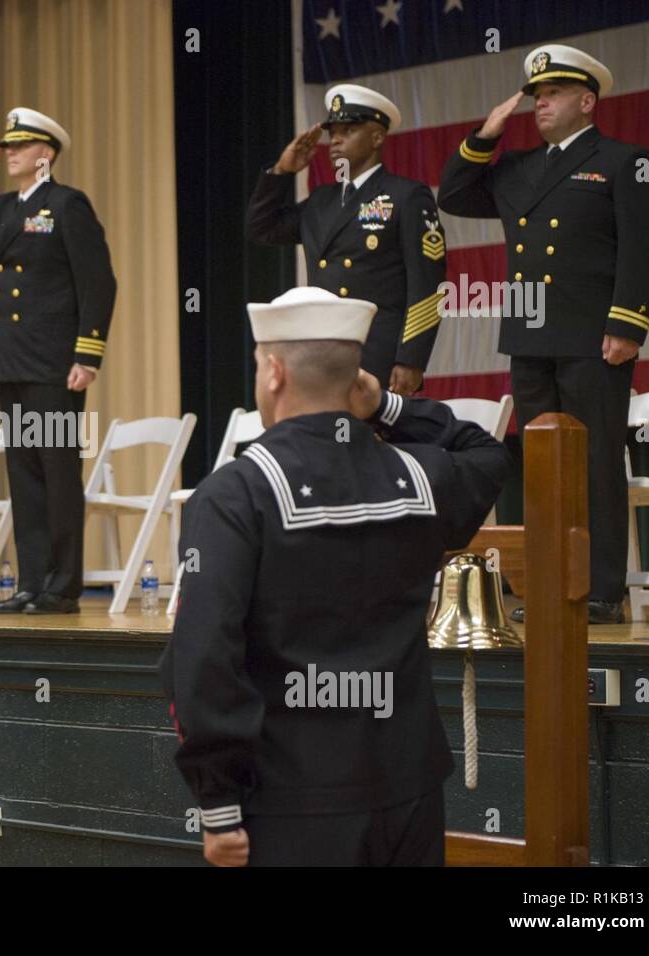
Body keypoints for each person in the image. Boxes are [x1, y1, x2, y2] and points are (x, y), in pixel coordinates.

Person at [160, 287, 511, 867]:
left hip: (294, 803)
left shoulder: (232, 495)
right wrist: (387, 408)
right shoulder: (420, 477)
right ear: (356, 379)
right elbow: (487, 452)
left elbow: (202, 660)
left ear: (273, 372)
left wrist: (217, 805)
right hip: (411, 792)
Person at [437, 44, 649, 624]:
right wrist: (485, 134)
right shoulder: (516, 169)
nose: (541, 102)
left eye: (554, 93)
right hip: (531, 335)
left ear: (586, 101)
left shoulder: (622, 160)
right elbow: (456, 194)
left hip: (594, 336)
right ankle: (548, 582)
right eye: (537, 94)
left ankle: (601, 590)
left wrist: (627, 322)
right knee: (542, 467)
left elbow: (643, 246)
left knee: (594, 460)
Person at [0, 108, 117, 614]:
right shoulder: (4, 209)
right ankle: (33, 583)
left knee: (57, 474)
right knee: (25, 477)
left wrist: (88, 353)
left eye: (19, 145)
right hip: (11, 360)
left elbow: (98, 282)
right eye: (7, 145)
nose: (8, 152)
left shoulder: (67, 204)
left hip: (55, 363)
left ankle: (63, 586)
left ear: (46, 154)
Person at [247, 85, 447, 395]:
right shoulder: (321, 201)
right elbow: (262, 228)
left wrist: (411, 359)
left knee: (371, 439)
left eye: (349, 130)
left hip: (376, 351)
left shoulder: (406, 195)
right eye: (333, 132)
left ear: (377, 138)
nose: (335, 139)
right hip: (323, 347)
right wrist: (282, 170)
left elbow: (427, 285)